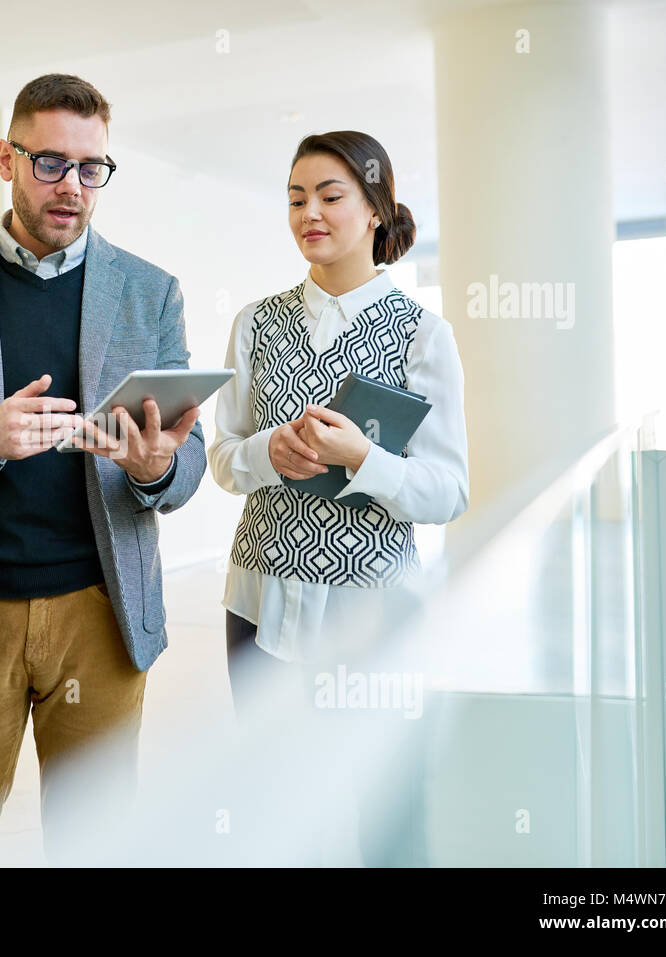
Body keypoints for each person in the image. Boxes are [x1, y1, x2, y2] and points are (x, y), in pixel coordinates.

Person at [0, 73, 206, 866]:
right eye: (50, 163)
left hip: (104, 612)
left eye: (92, 169)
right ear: (5, 157)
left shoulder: (151, 293)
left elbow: (184, 464)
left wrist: (156, 468)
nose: (72, 188)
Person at [208, 129, 469, 863]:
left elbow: (448, 490)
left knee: (386, 812)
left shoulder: (423, 333)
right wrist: (269, 452)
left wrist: (364, 458)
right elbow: (224, 459)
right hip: (257, 604)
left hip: (375, 610)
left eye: (329, 196)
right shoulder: (254, 323)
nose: (308, 214)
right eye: (295, 198)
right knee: (276, 805)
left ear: (376, 210)